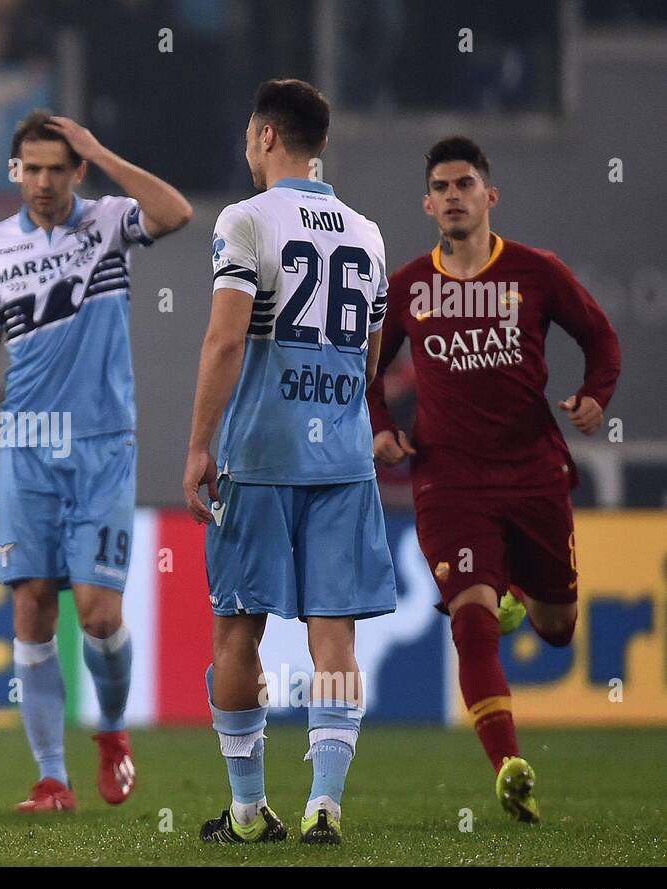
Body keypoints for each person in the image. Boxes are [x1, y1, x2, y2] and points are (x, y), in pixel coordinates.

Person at [0, 110, 191, 811]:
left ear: (76, 170)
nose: (44, 182)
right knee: (32, 610)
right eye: (32, 169)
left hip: (103, 447)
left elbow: (177, 213)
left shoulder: (109, 222)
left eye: (58, 168)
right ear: (16, 172)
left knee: (103, 616)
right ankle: (52, 777)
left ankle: (112, 733)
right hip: (25, 449)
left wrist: (100, 147)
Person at [367, 135, 620, 823]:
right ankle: (508, 763)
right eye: (442, 187)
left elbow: (600, 338)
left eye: (465, 184)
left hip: (533, 474)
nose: (453, 196)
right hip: (448, 481)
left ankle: (519, 599)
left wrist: (597, 393)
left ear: (490, 197)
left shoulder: (537, 274)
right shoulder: (409, 286)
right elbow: (370, 373)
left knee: (560, 627)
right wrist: (381, 428)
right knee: (471, 619)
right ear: (427, 204)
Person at [183, 79, 396, 846]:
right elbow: (371, 358)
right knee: (332, 636)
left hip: (260, 458)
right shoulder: (368, 234)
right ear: (321, 146)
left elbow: (224, 340)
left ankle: (247, 811)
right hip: (342, 461)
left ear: (267, 136)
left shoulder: (245, 221)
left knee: (237, 630)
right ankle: (326, 805)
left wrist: (201, 444)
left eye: (249, 134)